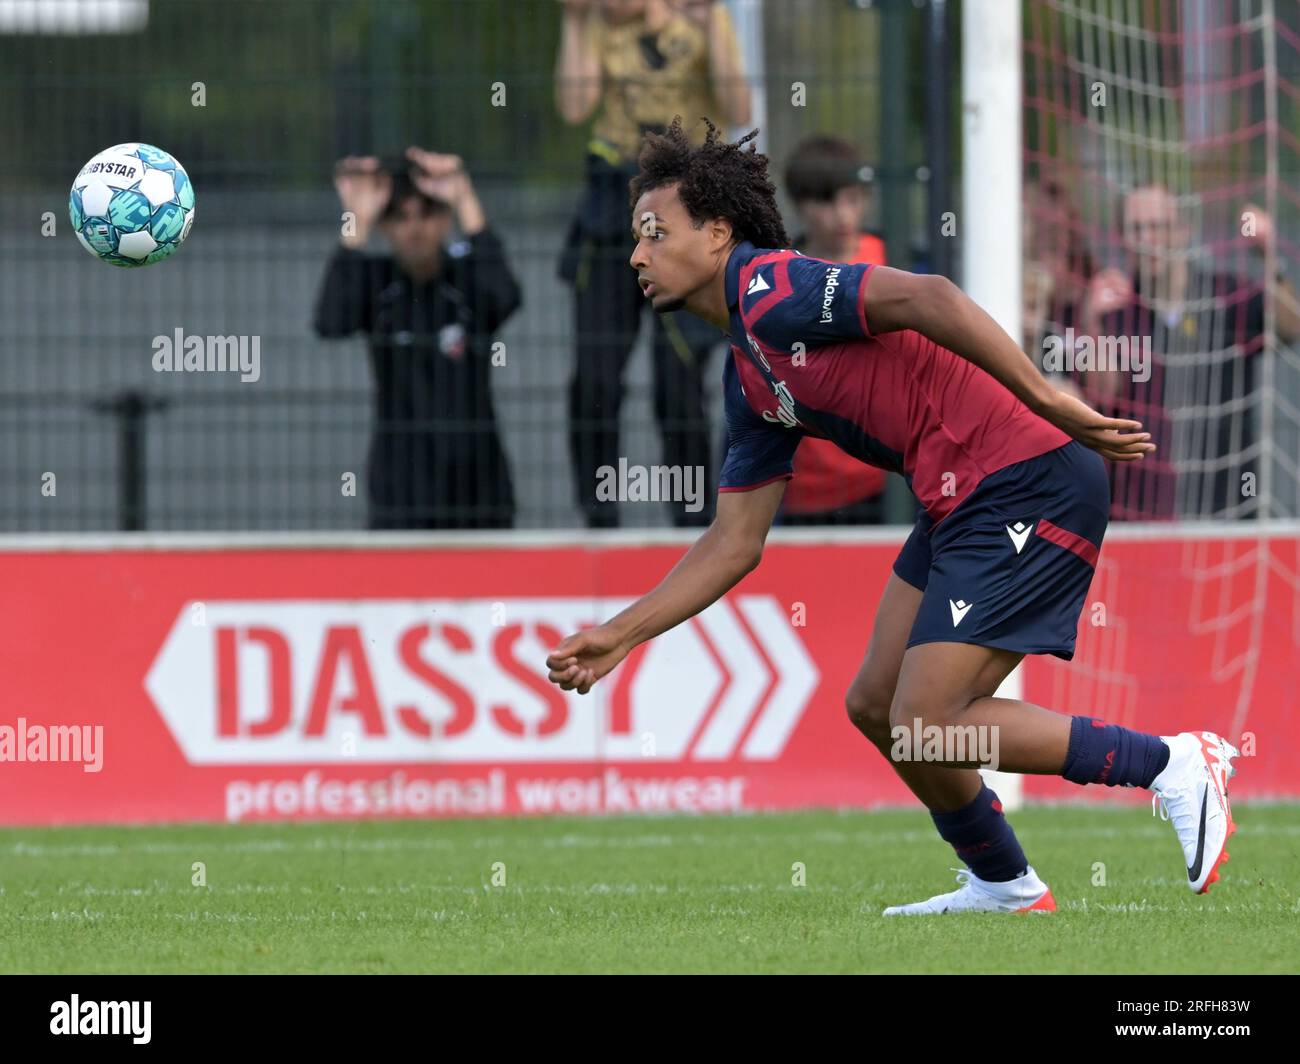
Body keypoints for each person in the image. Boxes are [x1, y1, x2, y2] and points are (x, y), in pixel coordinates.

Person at [545, 117, 1240, 914]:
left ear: (716, 233)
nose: (637, 254)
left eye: (654, 233)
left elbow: (927, 295)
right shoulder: (748, 374)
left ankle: (1172, 763)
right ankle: (1003, 882)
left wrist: (1048, 396)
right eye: (637, 239)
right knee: (879, 707)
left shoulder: (772, 288)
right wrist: (622, 633)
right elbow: (735, 543)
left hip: (1026, 473)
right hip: (960, 496)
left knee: (931, 721)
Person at [555, 0, 751, 527]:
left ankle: (691, 520)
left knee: (678, 377)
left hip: (684, 210)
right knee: (595, 377)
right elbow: (575, 108)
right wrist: (574, 22)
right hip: (611, 206)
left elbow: (739, 107)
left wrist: (711, 28)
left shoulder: (704, 16)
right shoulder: (597, 23)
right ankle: (599, 517)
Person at [313, 149, 521, 529]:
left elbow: (506, 296)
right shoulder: (377, 283)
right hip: (400, 488)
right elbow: (329, 320)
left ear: (444, 220)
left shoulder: (467, 281)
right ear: (385, 226)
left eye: (426, 214)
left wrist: (463, 198)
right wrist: (356, 219)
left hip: (479, 485)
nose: (415, 228)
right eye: (400, 217)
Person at [1079, 184, 1299, 520]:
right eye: (1136, 228)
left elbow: (1290, 328)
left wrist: (1268, 254)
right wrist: (1090, 322)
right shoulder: (1116, 308)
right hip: (1140, 513)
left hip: (1228, 506)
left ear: (1183, 231)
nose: (1147, 238)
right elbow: (1103, 394)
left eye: (1158, 226)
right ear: (1123, 238)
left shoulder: (1228, 296)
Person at [779, 134, 889, 525]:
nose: (843, 214)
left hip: (888, 481)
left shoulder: (894, 262)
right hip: (807, 490)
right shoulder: (777, 275)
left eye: (852, 198)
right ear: (800, 205)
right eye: (826, 201)